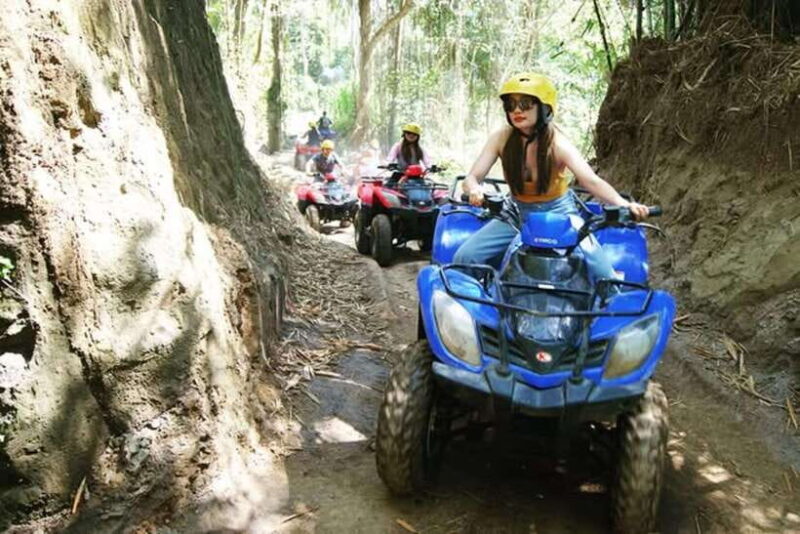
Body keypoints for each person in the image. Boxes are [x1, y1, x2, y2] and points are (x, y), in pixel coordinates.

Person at [454, 72, 650, 280]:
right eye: (511, 105)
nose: (517, 110)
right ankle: (480, 307)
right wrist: (475, 189)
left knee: (605, 275)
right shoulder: (501, 138)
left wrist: (622, 204)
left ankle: (605, 303)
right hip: (514, 212)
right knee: (465, 257)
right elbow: (472, 178)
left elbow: (591, 180)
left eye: (526, 103)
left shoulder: (557, 143)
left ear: (544, 107)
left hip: (560, 212)